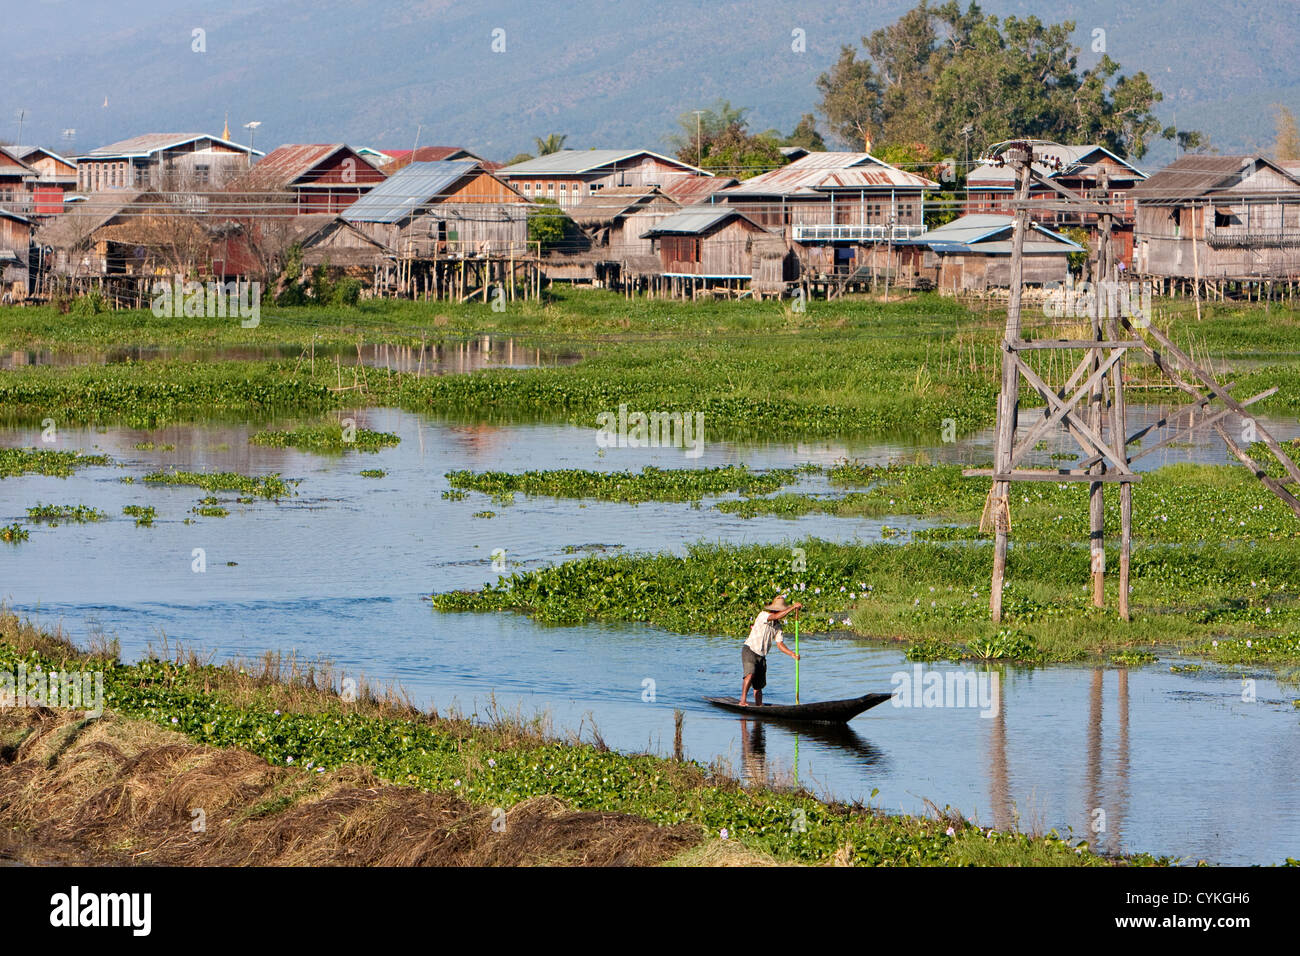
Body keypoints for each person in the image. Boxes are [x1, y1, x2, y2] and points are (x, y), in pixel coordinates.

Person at [739, 595, 801, 707]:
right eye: (778, 610)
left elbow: (780, 644)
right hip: (750, 650)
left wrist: (792, 654)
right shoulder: (764, 615)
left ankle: (759, 706)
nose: (779, 613)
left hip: (761, 655)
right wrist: (792, 608)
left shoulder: (778, 627)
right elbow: (775, 616)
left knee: (759, 685)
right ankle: (742, 701)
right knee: (750, 674)